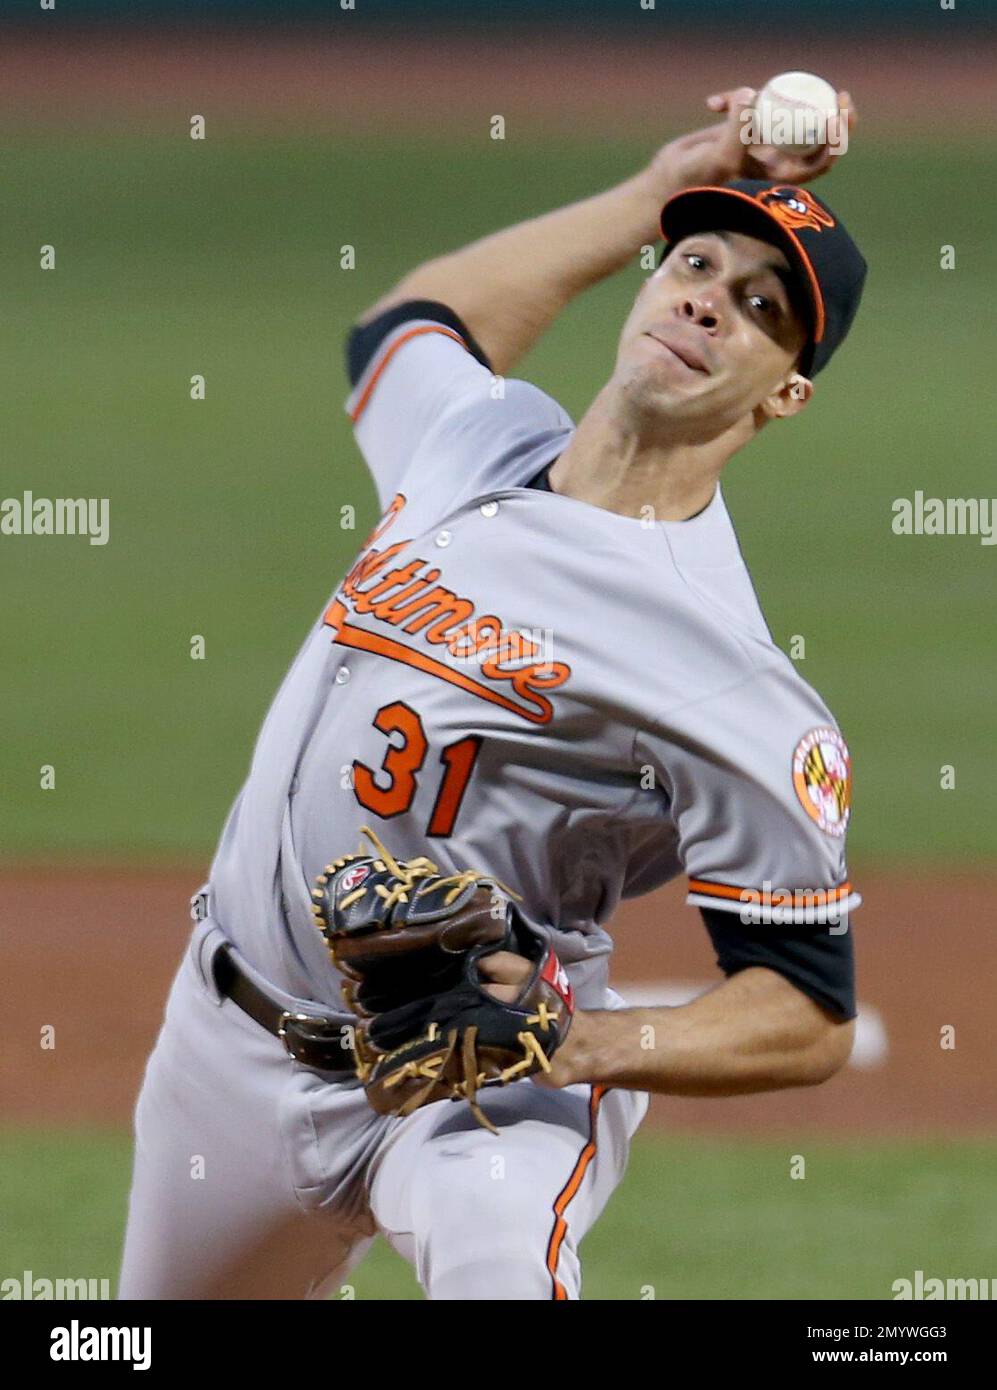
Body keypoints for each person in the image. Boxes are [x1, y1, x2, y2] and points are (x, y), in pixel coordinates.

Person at [119, 87, 866, 1301]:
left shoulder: (720, 665)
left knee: (497, 1270)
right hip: (230, 1049)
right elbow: (406, 324)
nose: (705, 302)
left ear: (784, 392)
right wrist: (653, 189)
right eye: (693, 264)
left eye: (759, 306)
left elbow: (808, 1009)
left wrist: (578, 1042)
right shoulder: (481, 435)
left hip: (478, 1092)